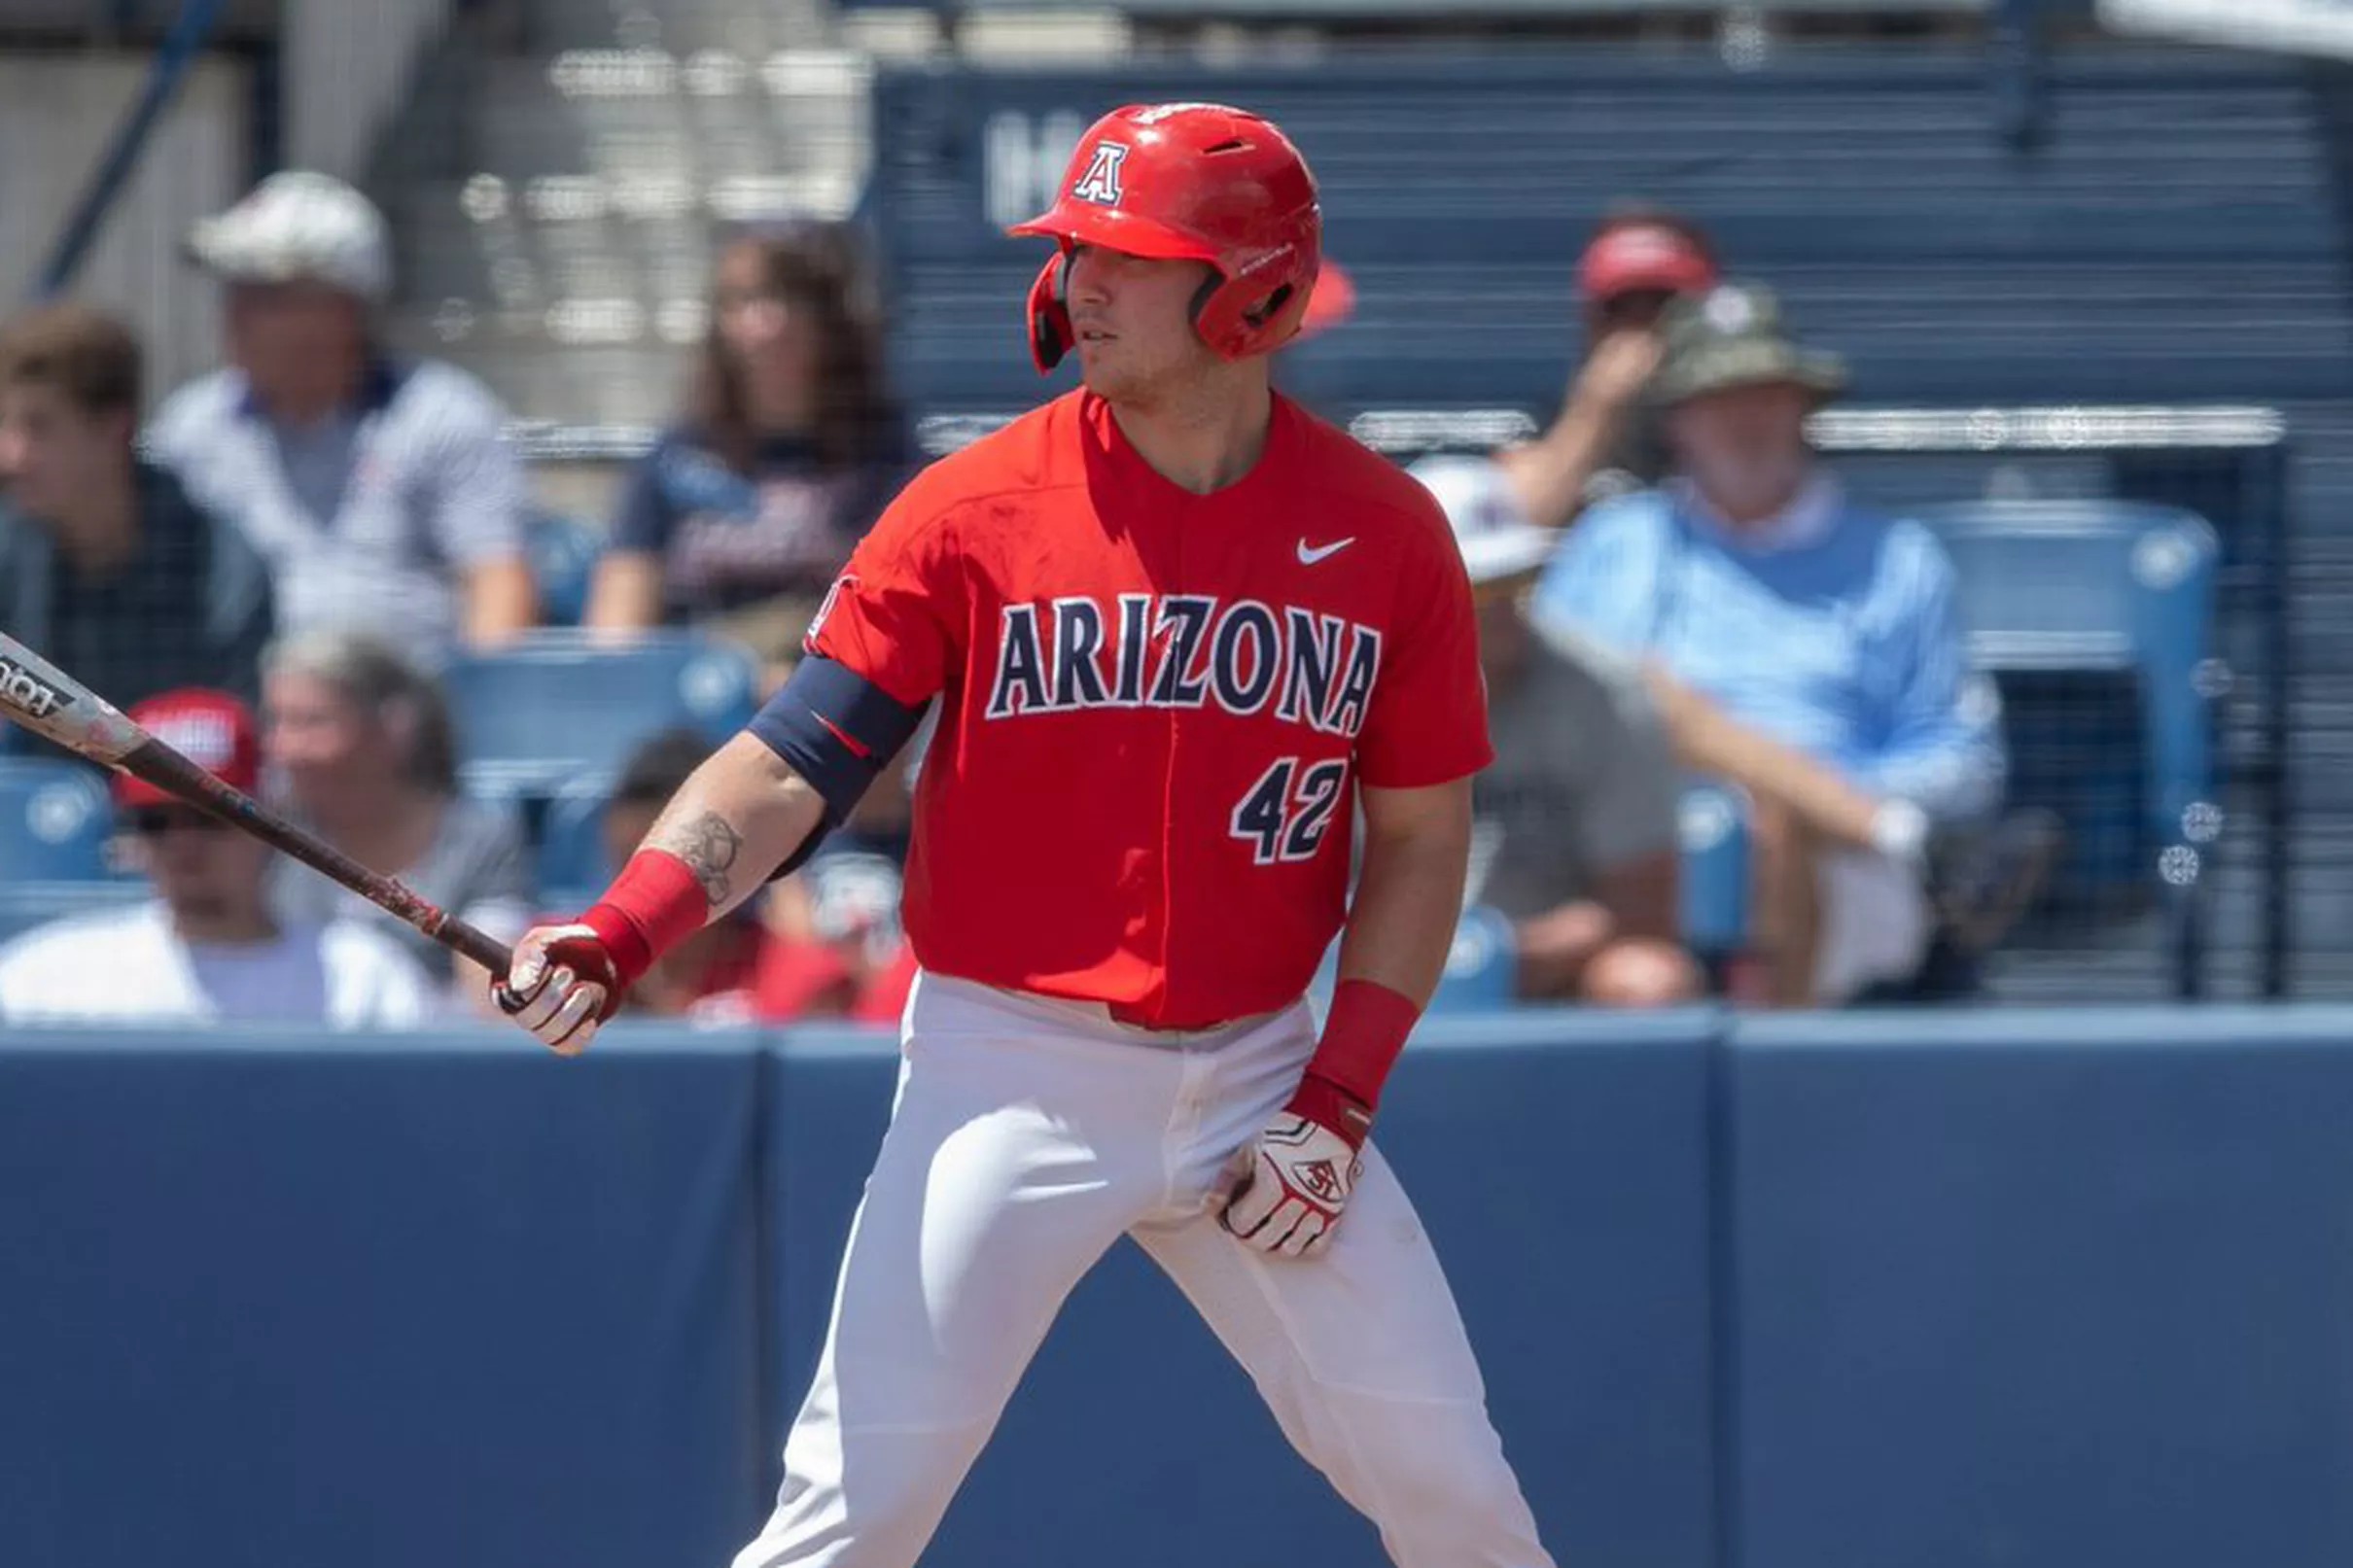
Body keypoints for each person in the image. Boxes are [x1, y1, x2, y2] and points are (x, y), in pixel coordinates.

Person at [494, 102, 1556, 1568]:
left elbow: (1423, 842)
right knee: (851, 1518)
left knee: (1459, 1494)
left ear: (1249, 289)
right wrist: (628, 925)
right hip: (1012, 1067)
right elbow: (801, 752)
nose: (1081, 282)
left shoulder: (1385, 533)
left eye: (1128, 250)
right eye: (1075, 247)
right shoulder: (971, 506)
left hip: (1264, 1068)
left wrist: (1339, 1102)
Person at [1534, 281, 2006, 1007]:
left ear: (1802, 409)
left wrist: (1827, 798)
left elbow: (1962, 759)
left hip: (1846, 862)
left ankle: (1778, 1073)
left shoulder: (1899, 560)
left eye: (1765, 395)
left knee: (1776, 825)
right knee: (1653, 706)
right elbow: (1550, 707)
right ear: (1677, 422)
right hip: (1639, 853)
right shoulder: (1614, 542)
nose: (1743, 421)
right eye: (1717, 399)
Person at [147, 171, 537, 666]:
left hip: (400, 719)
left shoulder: (444, 415)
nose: (235, 313)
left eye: (268, 295)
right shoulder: (191, 424)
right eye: (233, 291)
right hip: (230, 714)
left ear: (344, 308)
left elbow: (498, 586)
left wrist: (483, 711)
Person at [1408, 454, 1699, 1007]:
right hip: (1357, 969)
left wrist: (1492, 956)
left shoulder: (1604, 692)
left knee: (1647, 979)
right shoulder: (1333, 689)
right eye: (1477, 587)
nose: (1501, 610)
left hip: (1548, 970)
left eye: (1515, 580)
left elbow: (1642, 908)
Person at [582, 220, 911, 682]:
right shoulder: (678, 456)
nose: (766, 325)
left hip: (827, 698)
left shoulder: (886, 456)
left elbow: (902, 623)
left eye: (788, 299)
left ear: (833, 318)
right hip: (697, 696)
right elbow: (617, 628)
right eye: (742, 301)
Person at [0, 688, 432, 1028]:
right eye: (156, 822)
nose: (183, 843)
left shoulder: (362, 976)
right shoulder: (50, 978)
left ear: (269, 822)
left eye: (207, 818)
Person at [0, 303, 273, 711]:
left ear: (115, 427)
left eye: (39, 428)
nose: (11, 456)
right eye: (5, 425)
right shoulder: (11, 546)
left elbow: (233, 732)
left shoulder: (222, 570)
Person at [261, 629, 536, 1005]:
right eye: (278, 722)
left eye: (313, 723)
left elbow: (492, 985)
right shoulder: (262, 839)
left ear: (393, 727)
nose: (287, 748)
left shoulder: (476, 841)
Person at [1493, 204, 1719, 532]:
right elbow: (1522, 518)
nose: (1644, 329)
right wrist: (1600, 405)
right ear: (1594, 322)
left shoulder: (1749, 416)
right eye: (1622, 309)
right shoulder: (1552, 425)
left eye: (1665, 308)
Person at [594, 727, 768, 1022]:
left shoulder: (788, 971)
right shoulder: (571, 961)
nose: (648, 893)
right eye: (631, 867)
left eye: (668, 871)